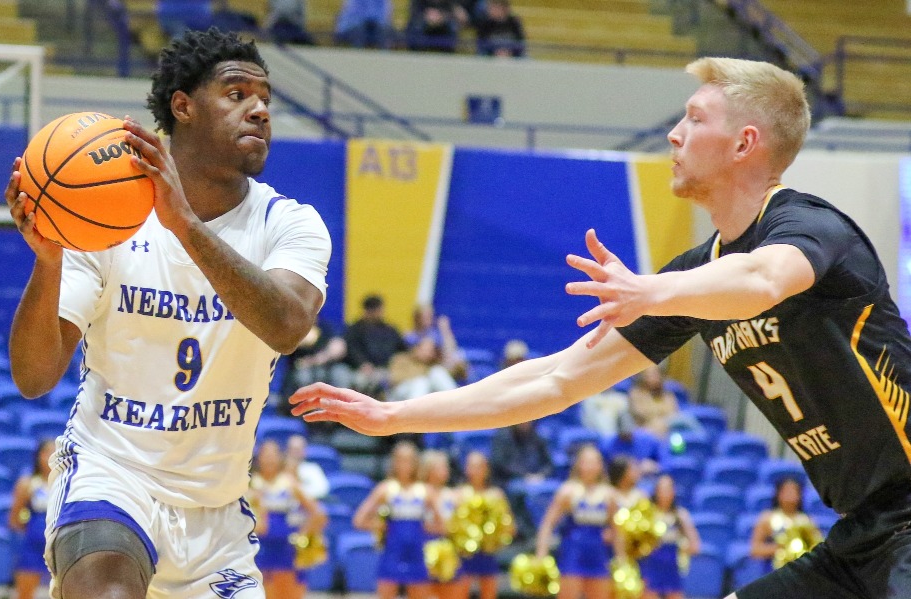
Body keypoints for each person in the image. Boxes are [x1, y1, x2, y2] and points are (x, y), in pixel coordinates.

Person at [292, 56, 911, 598]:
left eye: (695, 118)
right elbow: (558, 379)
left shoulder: (809, 227)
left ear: (745, 143)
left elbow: (764, 280)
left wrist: (650, 291)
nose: (674, 133)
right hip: (866, 530)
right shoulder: (697, 276)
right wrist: (396, 416)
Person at [4, 28, 330, 599]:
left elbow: (285, 326)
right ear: (182, 105)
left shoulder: (291, 224)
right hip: (112, 477)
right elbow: (34, 377)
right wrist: (49, 259)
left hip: (216, 512)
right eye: (236, 94)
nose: (259, 109)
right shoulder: (104, 222)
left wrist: (184, 223)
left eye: (265, 98)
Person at [352, 441, 442, 599]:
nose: (405, 464)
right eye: (400, 459)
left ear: (416, 463)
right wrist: (379, 526)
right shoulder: (385, 488)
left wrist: (425, 528)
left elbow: (443, 525)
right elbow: (359, 520)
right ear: (394, 462)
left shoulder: (425, 491)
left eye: (409, 460)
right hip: (392, 552)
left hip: (416, 553)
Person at [535, 444, 614, 599]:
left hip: (599, 555)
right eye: (586, 462)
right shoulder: (567, 491)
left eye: (594, 462)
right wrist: (541, 554)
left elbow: (617, 530)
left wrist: (621, 558)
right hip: (573, 554)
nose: (590, 467)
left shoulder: (609, 494)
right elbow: (548, 524)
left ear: (600, 465)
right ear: (578, 464)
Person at [250, 439, 326, 599]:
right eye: (266, 455)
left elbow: (319, 515)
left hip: (287, 549)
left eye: (273, 455)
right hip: (258, 548)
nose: (269, 459)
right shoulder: (250, 483)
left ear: (280, 458)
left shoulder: (289, 482)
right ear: (258, 458)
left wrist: (302, 535)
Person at [457, 451, 513, 599]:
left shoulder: (496, 494)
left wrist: (498, 537)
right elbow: (451, 525)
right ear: (465, 468)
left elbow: (510, 526)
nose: (475, 470)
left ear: (486, 468)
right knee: (459, 593)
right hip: (463, 553)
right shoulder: (459, 494)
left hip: (488, 552)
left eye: (479, 466)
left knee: (489, 594)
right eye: (471, 466)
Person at [639, 474, 700, 599]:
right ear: (655, 491)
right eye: (662, 489)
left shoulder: (680, 515)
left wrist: (684, 548)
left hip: (672, 569)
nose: (665, 493)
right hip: (650, 568)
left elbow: (695, 546)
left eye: (668, 489)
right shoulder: (647, 514)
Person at [10, 439, 56, 599]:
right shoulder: (27, 484)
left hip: (60, 546)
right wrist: (34, 530)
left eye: (56, 451)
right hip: (33, 546)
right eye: (48, 452)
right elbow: (14, 518)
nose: (52, 456)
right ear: (38, 456)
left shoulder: (67, 481)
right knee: (25, 594)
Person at [420, 450, 466, 598]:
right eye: (441, 467)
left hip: (450, 550)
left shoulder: (454, 495)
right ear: (429, 469)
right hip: (423, 549)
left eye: (446, 466)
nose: (446, 470)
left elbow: (459, 526)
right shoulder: (419, 492)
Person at [749, 477, 821, 572]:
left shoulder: (807, 521)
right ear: (778, 494)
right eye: (786, 491)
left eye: (794, 491)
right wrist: (782, 548)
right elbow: (755, 550)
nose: (790, 495)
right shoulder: (767, 518)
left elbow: (817, 547)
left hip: (801, 571)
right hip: (774, 571)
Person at [344, 294, 406, 396]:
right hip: (360, 369)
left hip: (386, 369)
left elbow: (401, 349)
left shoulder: (389, 330)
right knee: (360, 381)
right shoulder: (355, 330)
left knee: (395, 381)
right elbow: (352, 349)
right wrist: (362, 363)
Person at [281, 317, 350, 406]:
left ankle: (338, 407)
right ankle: (308, 407)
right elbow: (289, 355)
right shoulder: (295, 330)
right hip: (301, 367)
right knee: (304, 377)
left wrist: (318, 359)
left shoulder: (325, 328)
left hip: (326, 366)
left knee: (340, 374)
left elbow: (338, 347)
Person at [387, 337, 460, 403]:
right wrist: (423, 373)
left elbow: (460, 373)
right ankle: (415, 414)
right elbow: (394, 379)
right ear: (417, 348)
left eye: (430, 351)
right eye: (425, 349)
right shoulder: (401, 358)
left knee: (437, 371)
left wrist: (454, 361)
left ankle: (455, 402)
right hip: (399, 394)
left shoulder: (432, 364)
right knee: (421, 382)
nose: (427, 353)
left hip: (427, 393)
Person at [405, 304, 467, 380]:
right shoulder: (410, 336)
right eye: (425, 316)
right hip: (418, 366)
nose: (429, 319)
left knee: (457, 356)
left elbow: (451, 350)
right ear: (417, 317)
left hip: (437, 364)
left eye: (430, 316)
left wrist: (445, 329)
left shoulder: (435, 334)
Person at [285, 434, 330, 499]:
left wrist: (298, 491)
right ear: (287, 450)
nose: (295, 453)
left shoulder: (312, 468)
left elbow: (322, 490)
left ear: (304, 451)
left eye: (298, 449)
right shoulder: (279, 468)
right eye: (292, 449)